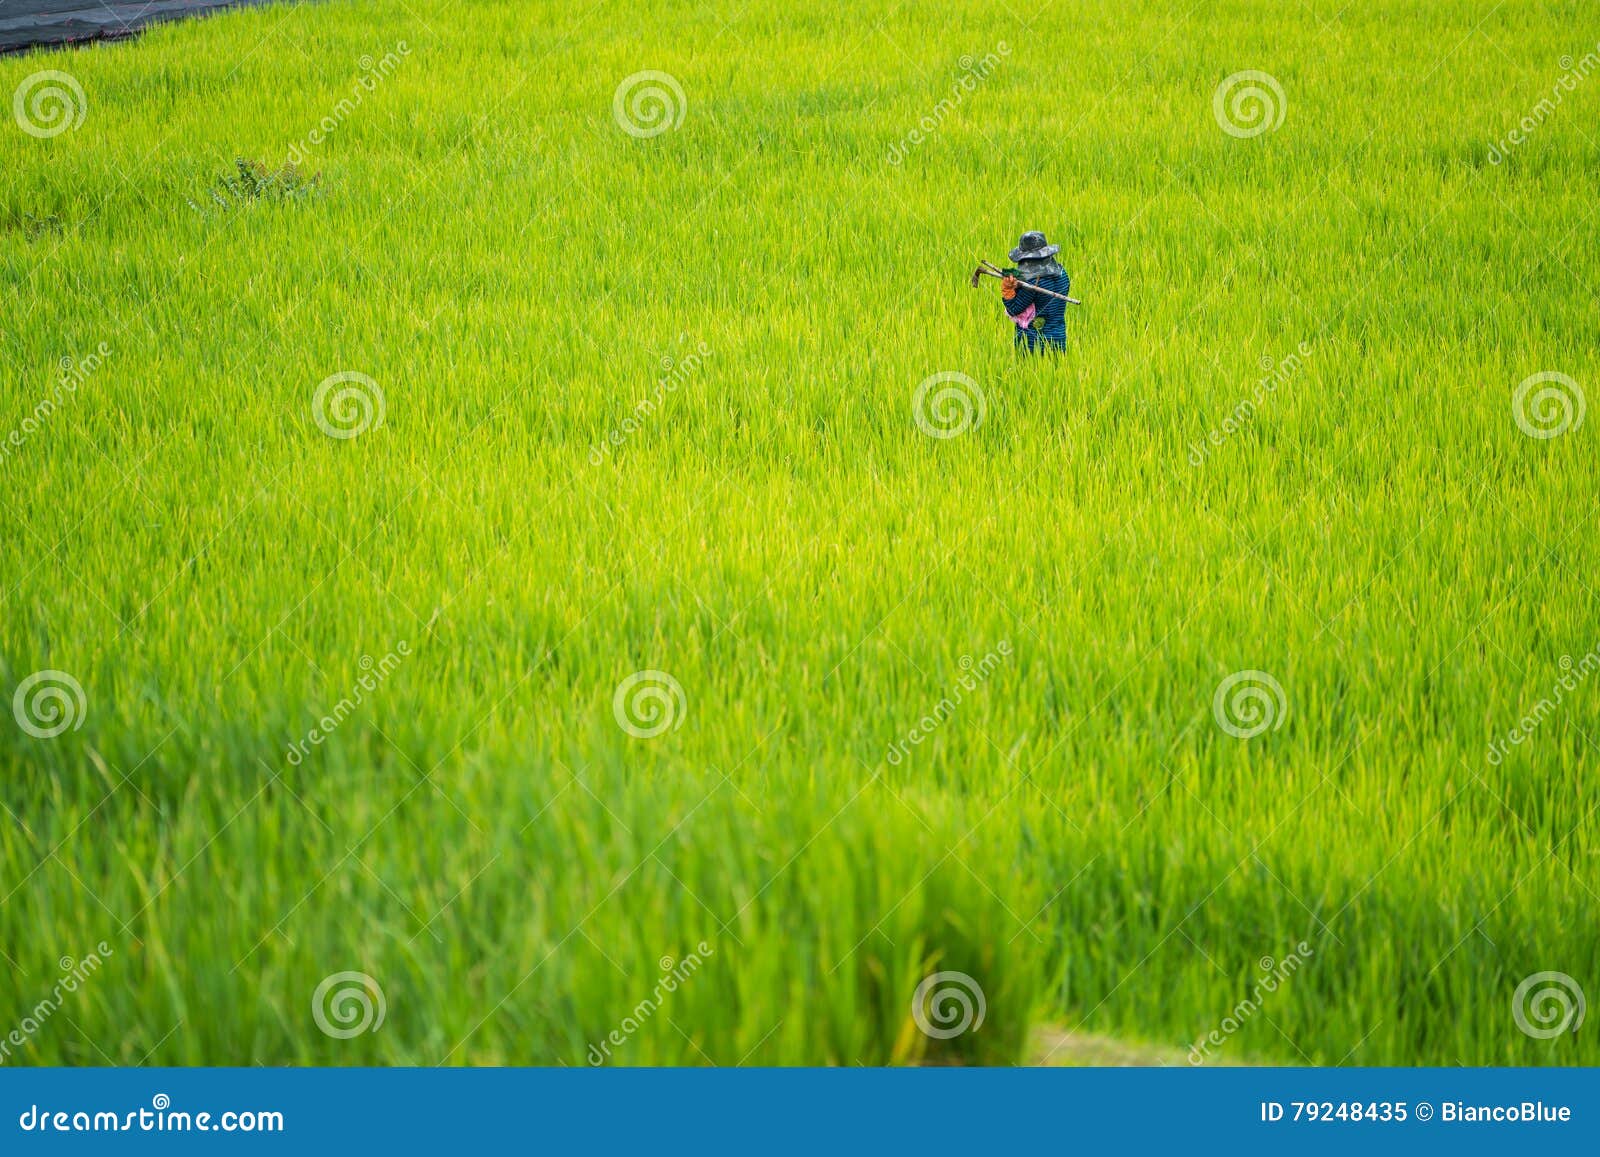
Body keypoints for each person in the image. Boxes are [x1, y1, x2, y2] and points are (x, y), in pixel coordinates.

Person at [1000, 231, 1070, 353]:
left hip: (1033, 344)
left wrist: (1008, 290)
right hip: (1059, 339)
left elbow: (1014, 309)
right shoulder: (1062, 274)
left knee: (1031, 371)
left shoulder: (1032, 284)